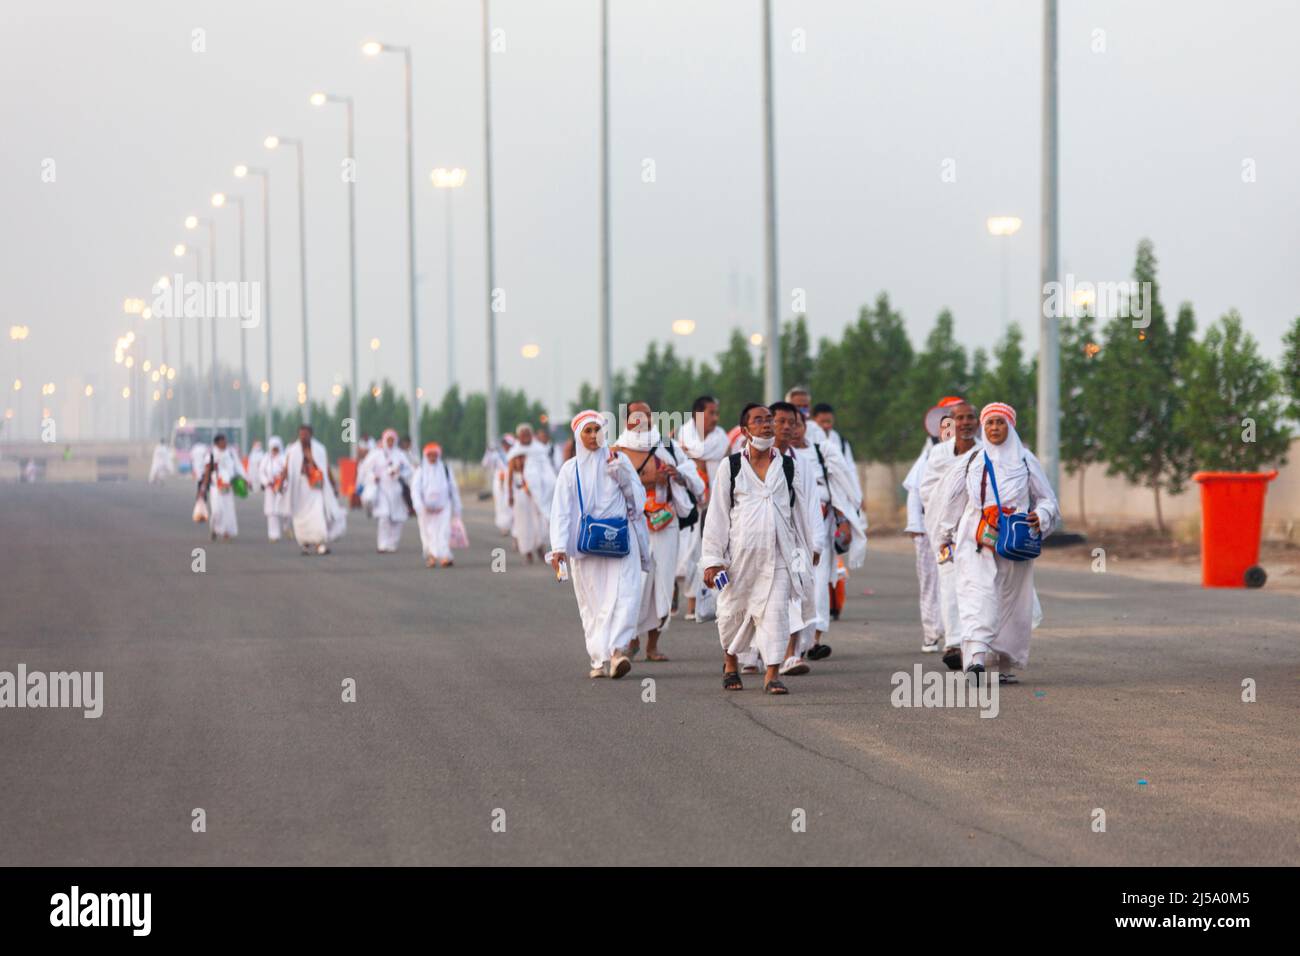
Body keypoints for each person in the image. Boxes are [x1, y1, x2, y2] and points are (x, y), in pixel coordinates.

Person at [934, 403, 1059, 682]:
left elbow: (1047, 499)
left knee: (1011, 601)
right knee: (977, 596)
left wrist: (1041, 515)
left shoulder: (1026, 460)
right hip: (975, 539)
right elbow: (952, 501)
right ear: (983, 426)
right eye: (989, 423)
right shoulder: (973, 460)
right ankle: (976, 660)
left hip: (1014, 540)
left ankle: (1003, 665)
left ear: (1010, 426)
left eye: (999, 423)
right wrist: (945, 536)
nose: (994, 428)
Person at [701, 403, 818, 696]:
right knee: (731, 613)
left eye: (769, 420)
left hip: (778, 554)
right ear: (745, 430)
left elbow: (800, 514)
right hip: (739, 558)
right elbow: (717, 515)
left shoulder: (788, 466)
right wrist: (712, 561)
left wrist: (806, 551)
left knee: (776, 612)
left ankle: (772, 674)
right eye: (758, 420)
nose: (767, 425)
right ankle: (730, 664)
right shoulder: (731, 467)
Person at [547, 409, 646, 680]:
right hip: (585, 546)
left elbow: (638, 504)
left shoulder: (619, 460)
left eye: (597, 430)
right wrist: (558, 548)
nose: (594, 436)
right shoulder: (570, 470)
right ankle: (598, 656)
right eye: (587, 431)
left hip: (620, 542)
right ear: (578, 436)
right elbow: (561, 512)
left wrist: (622, 475)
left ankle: (617, 652)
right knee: (593, 603)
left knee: (626, 594)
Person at [613, 401, 706, 663]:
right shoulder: (617, 450)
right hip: (632, 522)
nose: (643, 419)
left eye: (648, 415)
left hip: (665, 522)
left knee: (661, 584)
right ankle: (630, 639)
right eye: (637, 415)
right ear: (627, 420)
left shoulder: (667, 447)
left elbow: (693, 477)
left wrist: (675, 475)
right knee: (635, 582)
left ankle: (652, 645)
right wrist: (651, 481)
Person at [919, 400, 980, 670]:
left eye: (970, 418)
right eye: (960, 418)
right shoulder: (939, 454)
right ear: (950, 423)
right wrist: (949, 516)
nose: (965, 423)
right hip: (946, 534)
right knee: (949, 584)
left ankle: (977, 643)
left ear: (977, 422)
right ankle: (954, 643)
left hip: (979, 532)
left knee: (978, 588)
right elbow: (927, 491)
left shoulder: (985, 452)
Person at [903, 397, 965, 654]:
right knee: (931, 580)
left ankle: (960, 633)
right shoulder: (932, 451)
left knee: (960, 580)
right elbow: (916, 490)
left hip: (962, 527)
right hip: (931, 529)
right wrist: (916, 525)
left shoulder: (976, 449)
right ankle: (931, 633)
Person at [675, 395, 729, 622]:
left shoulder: (722, 439)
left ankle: (711, 604)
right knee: (687, 554)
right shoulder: (682, 436)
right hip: (688, 503)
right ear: (698, 414)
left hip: (715, 503)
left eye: (717, 413)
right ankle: (688, 600)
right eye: (711, 413)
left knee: (715, 552)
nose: (716, 418)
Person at [280, 423, 344, 555]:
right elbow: (286, 468)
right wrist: (281, 482)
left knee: (318, 514)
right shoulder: (292, 451)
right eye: (301, 434)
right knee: (300, 517)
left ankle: (320, 544)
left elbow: (325, 469)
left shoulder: (319, 449)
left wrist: (333, 485)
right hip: (299, 489)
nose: (303, 437)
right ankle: (304, 544)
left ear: (311, 435)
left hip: (315, 488)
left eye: (305, 434)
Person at [411, 442, 463, 568]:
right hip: (425, 509)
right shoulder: (421, 470)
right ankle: (431, 557)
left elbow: (453, 488)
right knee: (428, 534)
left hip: (443, 507)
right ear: (426, 456)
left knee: (444, 532)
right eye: (430, 455)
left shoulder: (445, 469)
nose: (432, 458)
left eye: (435, 455)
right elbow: (415, 490)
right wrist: (418, 505)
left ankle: (445, 556)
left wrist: (457, 507)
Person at [365, 428, 413, 553]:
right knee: (384, 517)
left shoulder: (400, 454)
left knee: (397, 518)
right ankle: (382, 544)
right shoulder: (376, 454)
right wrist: (373, 477)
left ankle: (392, 544)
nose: (391, 442)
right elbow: (367, 469)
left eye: (393, 440)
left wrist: (399, 472)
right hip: (382, 488)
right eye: (388, 440)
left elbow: (409, 470)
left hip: (396, 489)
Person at [506, 443, 550, 562]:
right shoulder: (512, 461)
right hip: (520, 497)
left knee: (538, 522)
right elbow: (509, 480)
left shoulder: (532, 460)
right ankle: (527, 551)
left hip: (534, 496)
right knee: (523, 524)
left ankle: (540, 547)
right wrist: (510, 496)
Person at [810, 402, 863, 500]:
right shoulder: (807, 441)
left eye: (829, 421)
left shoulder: (841, 442)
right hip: (815, 493)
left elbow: (850, 469)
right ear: (814, 420)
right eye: (822, 422)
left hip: (840, 493)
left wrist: (858, 495)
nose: (826, 425)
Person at [205, 433, 247, 541]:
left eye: (225, 441)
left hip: (228, 487)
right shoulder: (211, 454)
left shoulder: (231, 453)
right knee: (217, 511)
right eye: (222, 441)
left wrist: (245, 479)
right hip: (216, 487)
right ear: (217, 443)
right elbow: (207, 471)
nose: (225, 443)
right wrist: (203, 488)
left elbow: (238, 467)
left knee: (228, 511)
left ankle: (226, 532)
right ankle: (214, 528)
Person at [259, 436, 290, 541]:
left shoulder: (284, 458)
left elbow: (288, 473)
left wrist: (284, 484)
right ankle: (273, 535)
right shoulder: (266, 458)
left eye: (276, 447)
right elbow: (261, 472)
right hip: (270, 488)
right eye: (273, 448)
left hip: (283, 488)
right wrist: (266, 482)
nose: (275, 450)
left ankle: (287, 527)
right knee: (271, 512)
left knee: (286, 510)